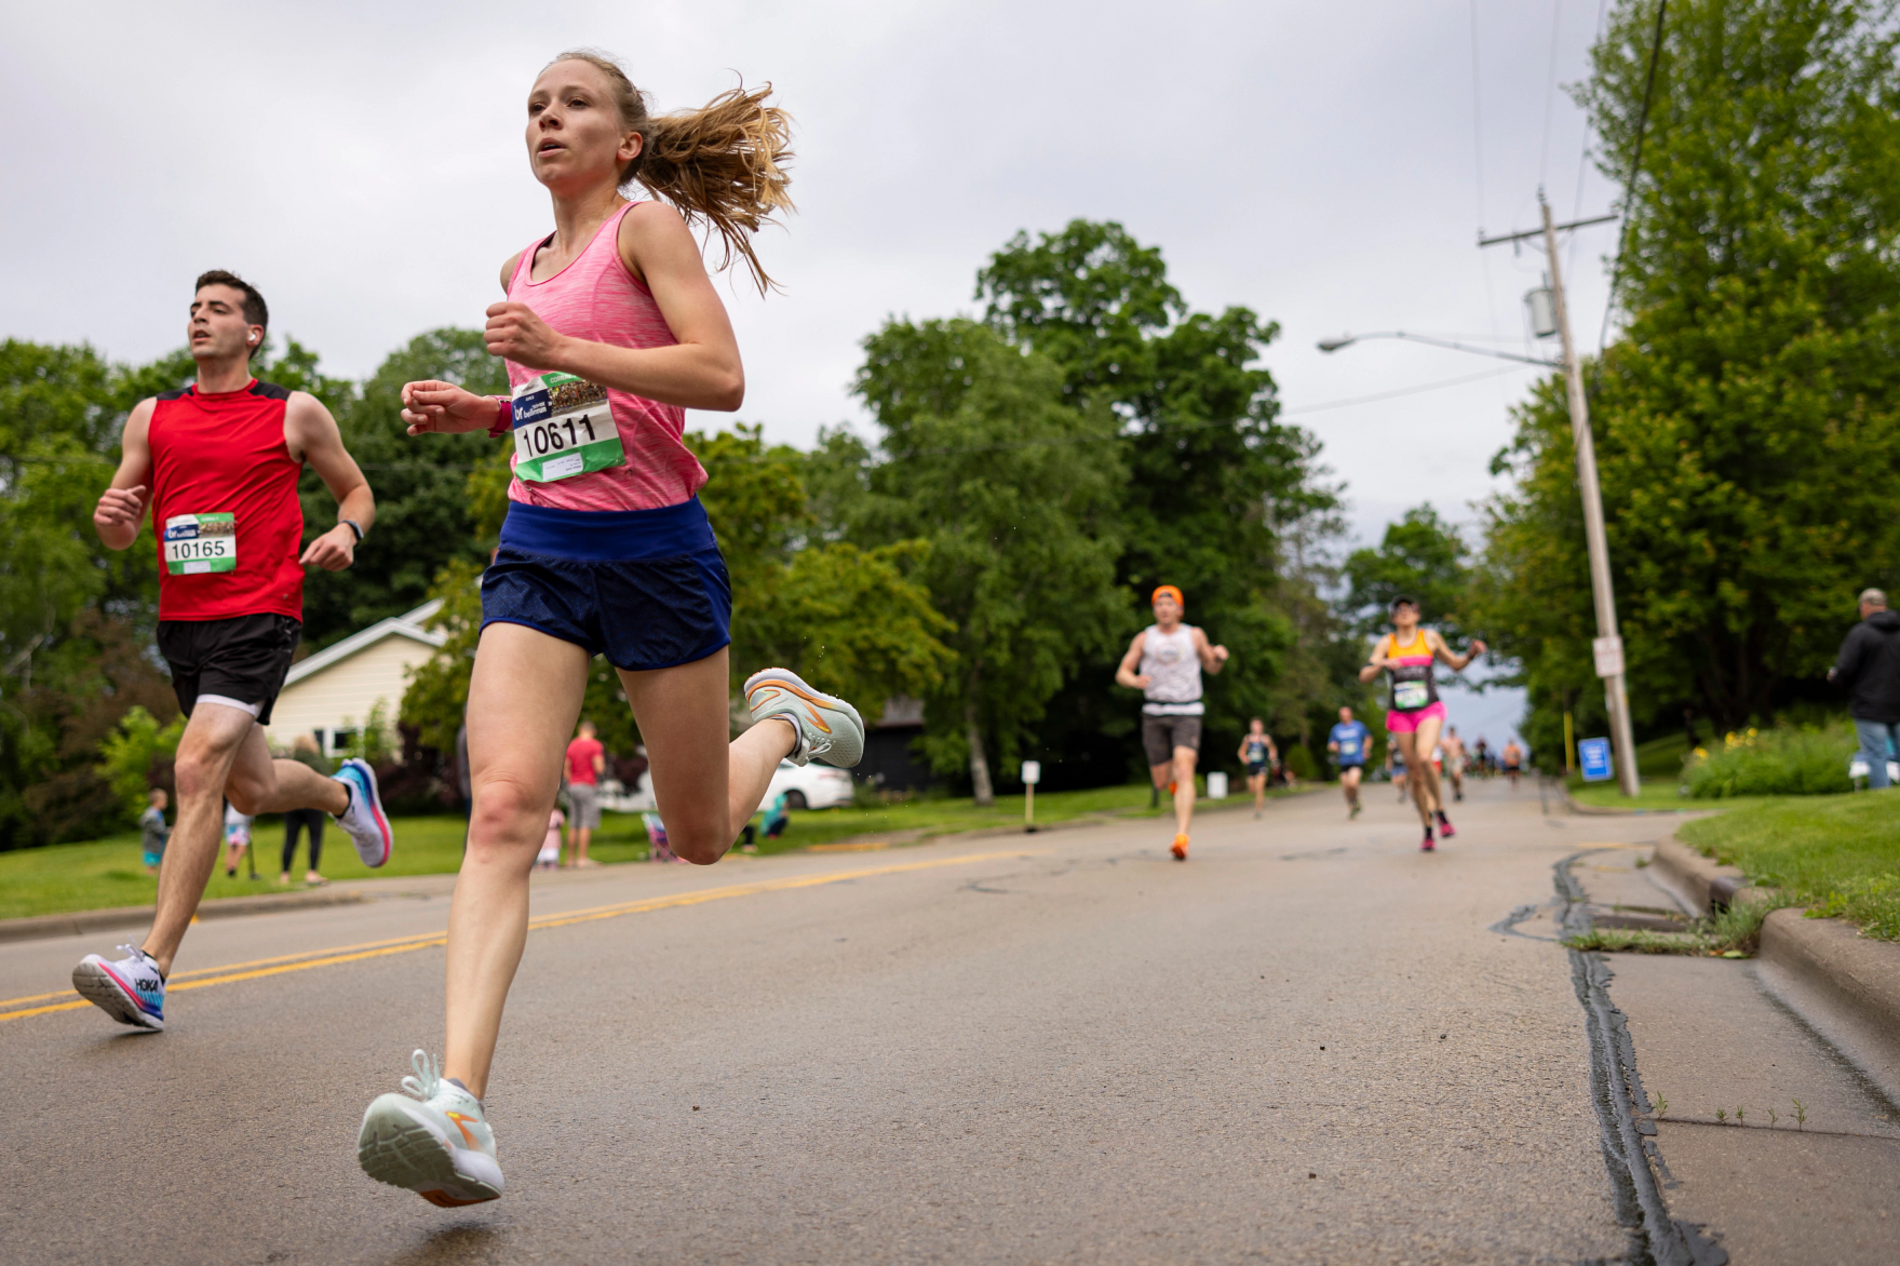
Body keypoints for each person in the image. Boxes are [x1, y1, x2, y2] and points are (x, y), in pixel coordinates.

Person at [355, 51, 858, 1208]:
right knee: (501, 809)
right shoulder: (518, 263)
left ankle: (778, 722)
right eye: (533, 105)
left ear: (625, 140)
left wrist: (557, 349)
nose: (546, 118)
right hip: (539, 551)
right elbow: (558, 409)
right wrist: (488, 410)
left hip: (656, 556)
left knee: (697, 837)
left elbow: (718, 374)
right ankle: (460, 1108)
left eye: (572, 102)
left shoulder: (647, 232)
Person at [73, 270, 393, 1033]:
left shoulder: (293, 412)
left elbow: (358, 492)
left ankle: (150, 968)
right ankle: (345, 794)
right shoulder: (151, 418)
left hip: (260, 612)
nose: (200, 318)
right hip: (183, 624)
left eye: (217, 309)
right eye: (193, 308)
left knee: (193, 766)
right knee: (247, 789)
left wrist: (346, 533)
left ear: (252, 333)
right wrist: (112, 516)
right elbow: (120, 527)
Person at [1360, 595, 1486, 851]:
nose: (1404, 611)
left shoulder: (1429, 637)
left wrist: (1470, 655)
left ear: (1417, 614)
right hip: (1400, 715)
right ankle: (1427, 829)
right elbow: (1364, 675)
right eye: (1399, 609)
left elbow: (1455, 664)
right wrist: (1382, 663)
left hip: (1428, 709)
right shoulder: (1387, 642)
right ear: (1393, 617)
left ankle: (1439, 810)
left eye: (1409, 608)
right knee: (1414, 776)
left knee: (1425, 757)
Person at [1115, 585, 1229, 861]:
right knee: (1161, 780)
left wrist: (1220, 658)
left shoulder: (1193, 635)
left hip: (1187, 710)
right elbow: (1122, 672)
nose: (1164, 609)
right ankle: (1174, 786)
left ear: (1180, 609)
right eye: (1159, 605)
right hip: (1154, 712)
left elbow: (1211, 667)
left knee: (1185, 765)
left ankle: (1182, 838)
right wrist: (1134, 681)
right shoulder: (1145, 639)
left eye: (1170, 604)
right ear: (1154, 610)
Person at [1829, 588, 1900, 789]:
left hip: (1870, 705)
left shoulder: (1861, 633)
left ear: (1865, 606)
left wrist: (1836, 680)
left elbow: (1844, 669)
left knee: (1876, 755)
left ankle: (1882, 798)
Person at [280, 733, 332, 885]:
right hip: (313, 805)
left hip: (291, 805)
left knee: (290, 839)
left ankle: (285, 875)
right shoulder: (317, 762)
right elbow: (327, 781)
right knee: (315, 838)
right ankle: (312, 872)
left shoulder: (289, 762)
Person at [563, 720, 606, 865]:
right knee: (585, 822)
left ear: (579, 730)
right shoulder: (594, 745)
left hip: (573, 786)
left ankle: (570, 859)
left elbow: (566, 768)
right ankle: (582, 858)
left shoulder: (572, 745)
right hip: (587, 784)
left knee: (574, 823)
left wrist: (572, 781)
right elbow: (599, 767)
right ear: (593, 732)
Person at [1326, 706, 1371, 819]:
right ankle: (1352, 807)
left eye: (1346, 714)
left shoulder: (1358, 726)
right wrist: (1333, 747)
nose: (1344, 716)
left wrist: (1366, 749)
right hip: (1343, 761)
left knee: (1352, 783)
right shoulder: (1336, 729)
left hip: (1356, 759)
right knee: (1345, 787)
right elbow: (1331, 744)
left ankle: (1356, 799)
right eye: (1342, 714)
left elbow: (1368, 738)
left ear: (1350, 714)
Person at [1237, 719, 1276, 818]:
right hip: (1251, 766)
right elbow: (1241, 752)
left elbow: (1273, 750)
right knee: (1252, 788)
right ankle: (1256, 800)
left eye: (1258, 725)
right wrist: (1244, 758)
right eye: (1254, 725)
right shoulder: (1248, 739)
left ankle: (1258, 809)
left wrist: (1272, 753)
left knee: (1260, 788)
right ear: (1251, 727)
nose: (1256, 727)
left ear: (1261, 727)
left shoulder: (1265, 738)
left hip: (1261, 765)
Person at [140, 789, 170, 874]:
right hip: (152, 844)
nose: (165, 802)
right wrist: (169, 831)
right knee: (151, 864)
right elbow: (158, 829)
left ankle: (155, 879)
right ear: (157, 801)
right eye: (164, 800)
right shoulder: (152, 815)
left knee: (158, 862)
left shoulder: (156, 813)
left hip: (157, 843)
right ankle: (150, 877)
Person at [221, 801, 253, 877]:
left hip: (229, 821)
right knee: (242, 847)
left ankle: (229, 868)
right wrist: (250, 821)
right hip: (241, 822)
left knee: (231, 847)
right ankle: (233, 867)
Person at [1441, 726, 1468, 803]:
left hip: (1457, 759)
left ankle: (1459, 790)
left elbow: (1463, 748)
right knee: (1452, 778)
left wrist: (1464, 755)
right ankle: (1456, 792)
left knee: (1457, 775)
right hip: (1449, 760)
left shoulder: (1458, 740)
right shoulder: (1445, 740)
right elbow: (1442, 750)